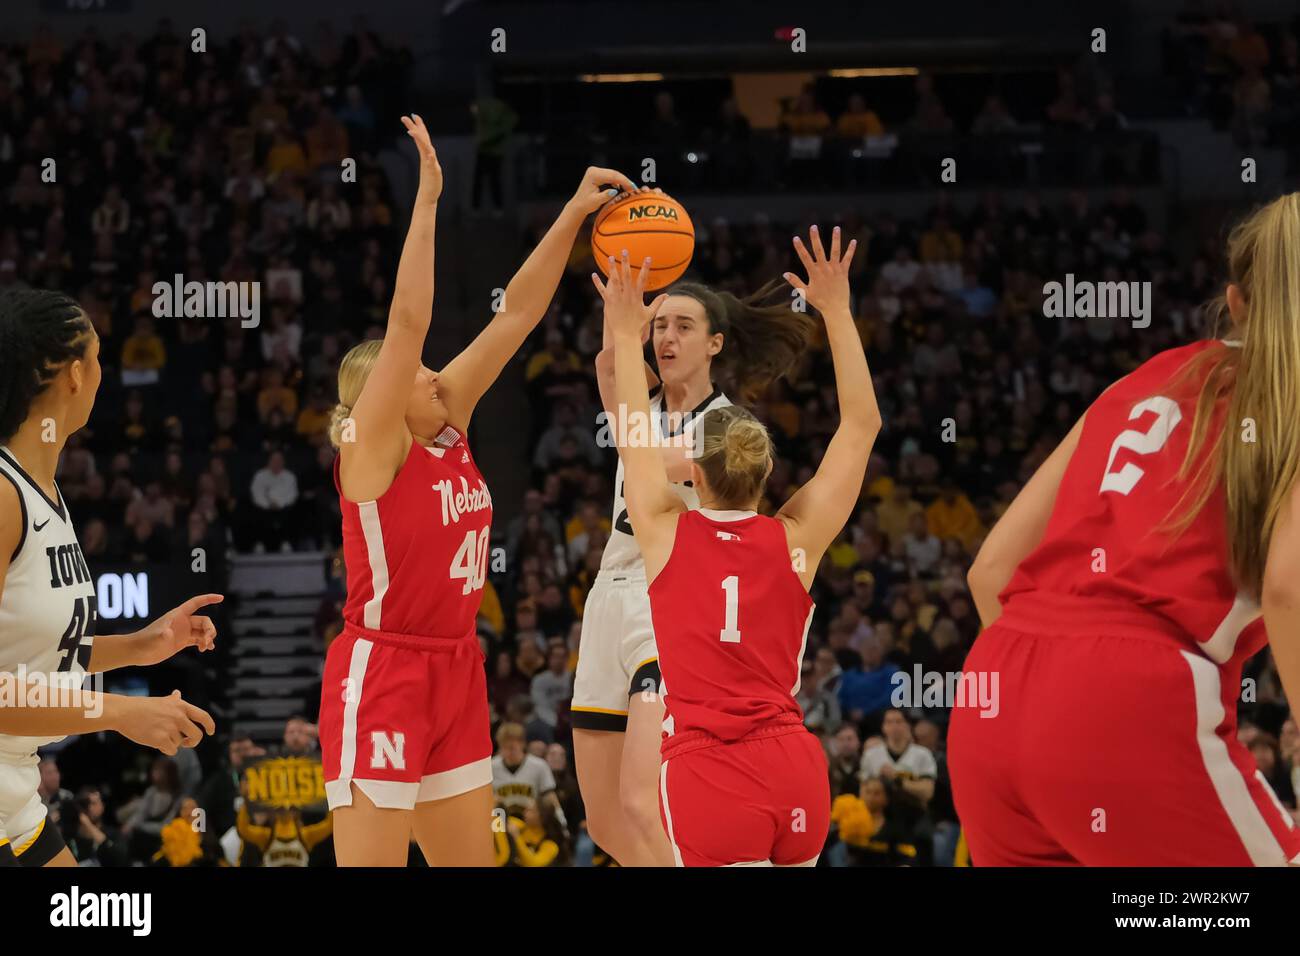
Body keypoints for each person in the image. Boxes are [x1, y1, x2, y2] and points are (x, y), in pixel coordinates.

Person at [316, 112, 635, 866]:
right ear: (384, 397)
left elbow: (517, 313)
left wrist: (573, 212)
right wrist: (427, 201)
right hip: (385, 671)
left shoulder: (444, 421)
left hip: (457, 668)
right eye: (419, 372)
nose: (437, 373)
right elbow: (406, 321)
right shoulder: (370, 457)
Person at [950, 193, 1300, 866]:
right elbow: (1287, 586)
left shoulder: (1138, 381)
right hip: (1132, 696)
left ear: (1236, 301)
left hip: (992, 697)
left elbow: (990, 570)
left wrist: (1050, 708)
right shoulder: (1285, 395)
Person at [596, 224, 881, 865]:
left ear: (694, 474)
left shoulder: (665, 536)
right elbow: (862, 425)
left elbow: (633, 436)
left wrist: (623, 327)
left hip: (709, 770)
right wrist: (836, 310)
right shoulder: (797, 541)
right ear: (766, 473)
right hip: (794, 764)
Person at [0, 287, 220, 868]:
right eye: (99, 359)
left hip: (14, 793)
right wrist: (123, 713)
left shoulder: (42, 491)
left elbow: (30, 657)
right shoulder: (1, 496)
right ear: (74, 374)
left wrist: (145, 646)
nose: (103, 375)